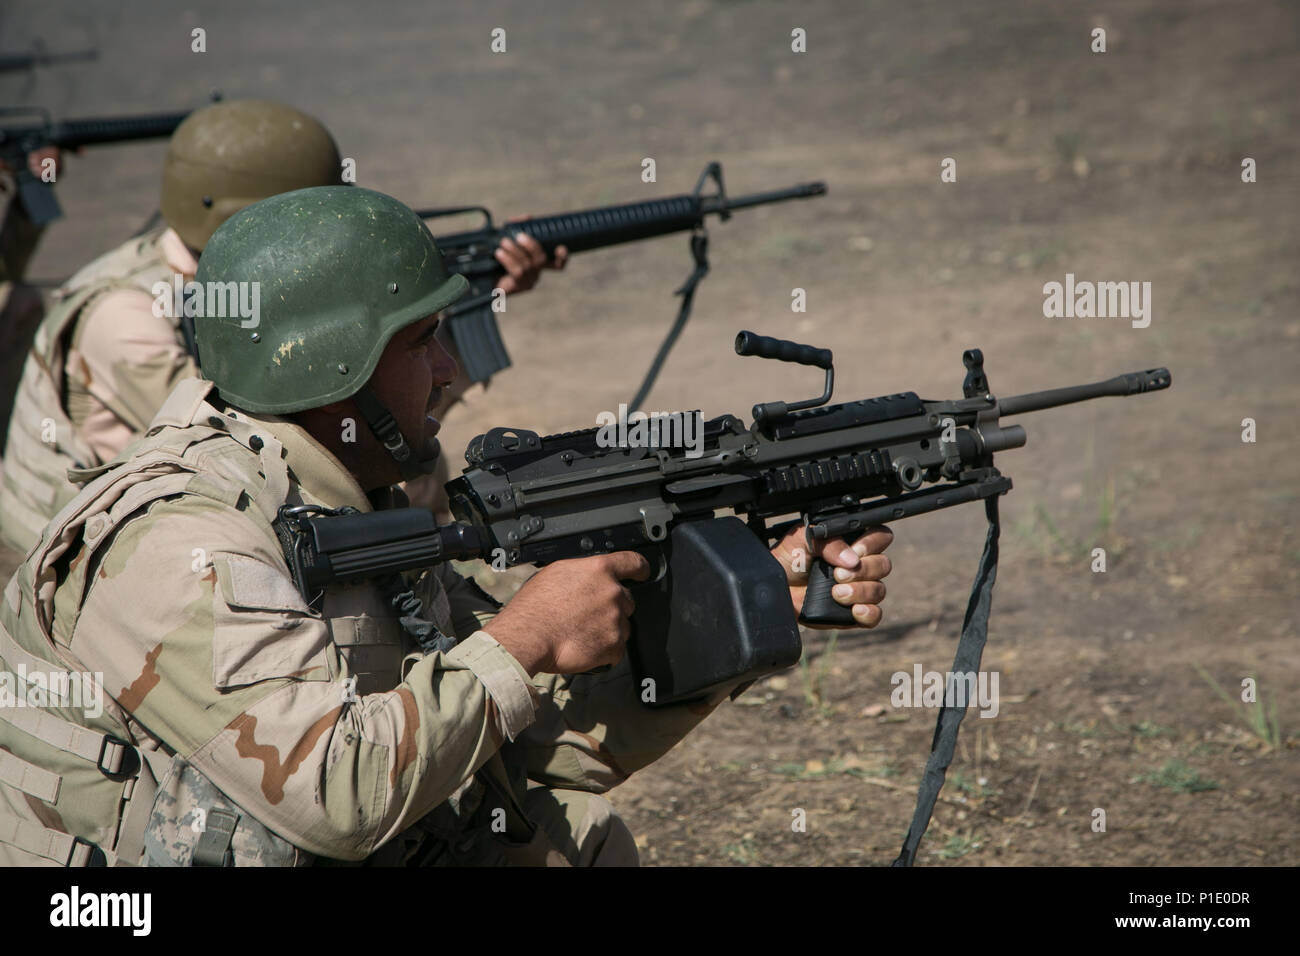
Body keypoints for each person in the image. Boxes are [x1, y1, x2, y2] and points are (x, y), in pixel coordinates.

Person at [0, 186, 893, 866]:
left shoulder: (344, 490)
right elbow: (332, 795)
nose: (450, 367)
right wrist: (529, 631)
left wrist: (744, 604)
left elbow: (528, 747)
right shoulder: (177, 540)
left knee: (563, 839)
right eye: (423, 339)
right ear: (335, 369)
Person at [0, 99, 560, 552]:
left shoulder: (220, 272)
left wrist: (450, 303)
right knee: (400, 486)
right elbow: (272, 453)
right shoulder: (127, 319)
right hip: (73, 558)